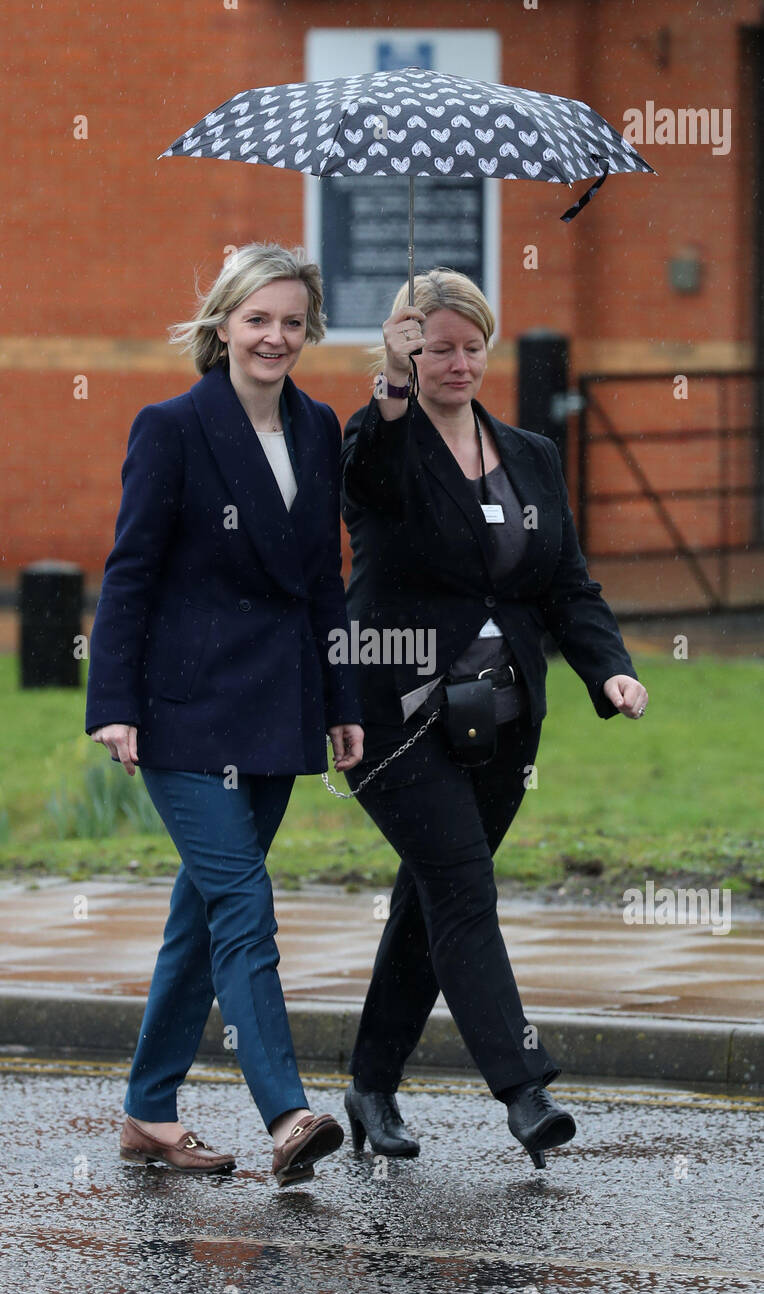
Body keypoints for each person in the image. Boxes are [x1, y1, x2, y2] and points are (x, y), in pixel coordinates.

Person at [340, 268, 649, 1170]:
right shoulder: (379, 441)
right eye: (438, 347)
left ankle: (371, 1082)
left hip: (503, 717)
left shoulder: (529, 455)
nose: (458, 362)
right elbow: (369, 476)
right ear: (407, 349)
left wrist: (613, 672)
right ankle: (525, 1089)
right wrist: (390, 392)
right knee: (465, 887)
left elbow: (566, 583)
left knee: (431, 896)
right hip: (392, 710)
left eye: (472, 346)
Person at [85, 242, 364, 1187]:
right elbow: (130, 573)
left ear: (309, 330)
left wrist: (342, 700)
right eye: (257, 319)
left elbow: (327, 581)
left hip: (279, 712)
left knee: (201, 920)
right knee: (243, 904)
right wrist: (114, 703)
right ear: (222, 325)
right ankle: (287, 1111)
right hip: (184, 713)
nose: (275, 337)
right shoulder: (170, 426)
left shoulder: (320, 426)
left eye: (292, 321)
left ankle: (147, 1113)